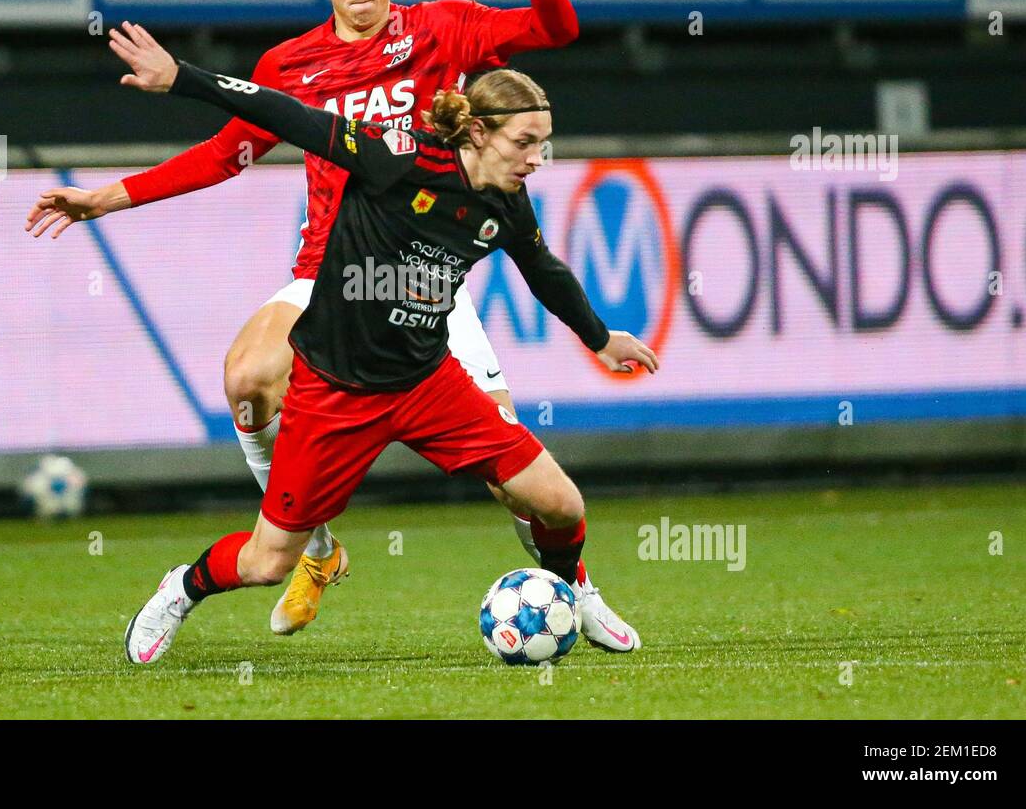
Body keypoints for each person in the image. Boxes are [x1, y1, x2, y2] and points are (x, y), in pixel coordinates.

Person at [27, 0, 632, 639]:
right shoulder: (293, 63)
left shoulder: (446, 28)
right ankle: (309, 544)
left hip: (428, 279)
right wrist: (108, 198)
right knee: (248, 375)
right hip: (332, 272)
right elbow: (226, 156)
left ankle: (577, 590)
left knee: (523, 485)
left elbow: (556, 29)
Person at [104, 53, 658, 665]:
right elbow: (283, 112)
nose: (536, 158)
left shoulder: (507, 199)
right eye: (526, 143)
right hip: (334, 391)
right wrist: (182, 78)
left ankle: (571, 594)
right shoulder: (399, 156)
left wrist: (599, 338)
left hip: (428, 383)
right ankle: (182, 589)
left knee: (561, 503)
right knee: (266, 562)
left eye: (543, 144)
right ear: (478, 132)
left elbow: (543, 270)